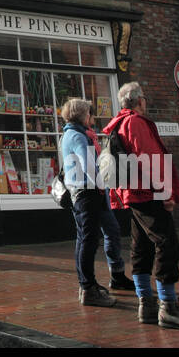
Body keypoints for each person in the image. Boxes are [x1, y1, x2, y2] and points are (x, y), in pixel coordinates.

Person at [102, 82, 179, 331]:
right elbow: (150, 160)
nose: (146, 102)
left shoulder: (120, 123)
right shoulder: (135, 123)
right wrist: (165, 193)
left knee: (142, 247)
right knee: (167, 244)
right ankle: (168, 307)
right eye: (145, 98)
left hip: (133, 193)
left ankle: (146, 304)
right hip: (147, 193)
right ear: (139, 100)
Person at [59, 98, 133, 307]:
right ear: (82, 115)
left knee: (105, 232)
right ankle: (88, 288)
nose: (92, 117)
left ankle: (105, 279)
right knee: (88, 240)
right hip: (86, 194)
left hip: (93, 193)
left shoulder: (79, 134)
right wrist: (106, 185)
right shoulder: (77, 136)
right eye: (89, 113)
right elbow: (90, 167)